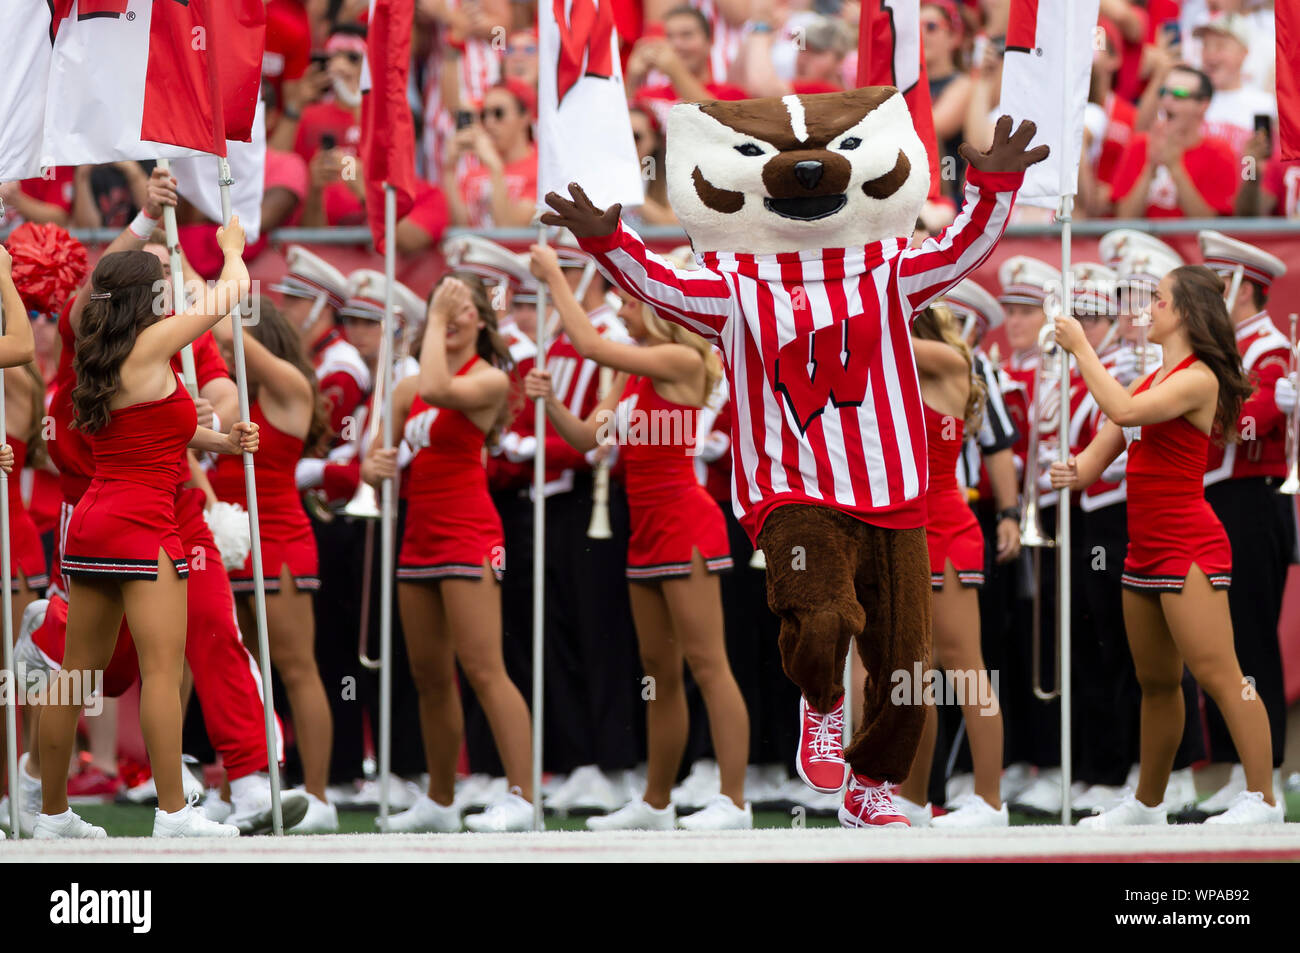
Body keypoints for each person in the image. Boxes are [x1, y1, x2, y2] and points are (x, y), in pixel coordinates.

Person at [36, 218, 261, 839]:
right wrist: (231, 252)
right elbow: (234, 288)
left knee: (74, 674)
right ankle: (173, 814)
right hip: (143, 522)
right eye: (161, 284)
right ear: (147, 299)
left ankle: (48, 815)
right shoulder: (155, 344)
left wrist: (220, 438)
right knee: (163, 673)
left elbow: (156, 429)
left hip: (92, 522)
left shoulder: (97, 348)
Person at [527, 246, 752, 831]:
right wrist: (549, 401)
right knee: (659, 671)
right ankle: (656, 803)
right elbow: (587, 438)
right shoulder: (632, 369)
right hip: (644, 529)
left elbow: (590, 345)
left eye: (627, 299)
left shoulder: (680, 359)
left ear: (655, 307)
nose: (620, 309)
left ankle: (734, 801)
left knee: (709, 665)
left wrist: (555, 277)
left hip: (686, 522)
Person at [1052, 265, 1282, 826]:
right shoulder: (1147, 381)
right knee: (1156, 683)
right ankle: (1148, 804)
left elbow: (1125, 414)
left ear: (1184, 313)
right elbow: (1092, 462)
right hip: (1143, 549)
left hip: (1189, 544)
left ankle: (1262, 799)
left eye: (1157, 300)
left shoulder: (1199, 378)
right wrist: (1066, 469)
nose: (1148, 308)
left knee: (1221, 673)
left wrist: (1082, 348)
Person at [362, 273, 536, 832]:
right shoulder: (405, 389)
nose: (454, 316)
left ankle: (524, 797)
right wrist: (376, 467)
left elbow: (438, 390)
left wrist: (435, 317)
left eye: (464, 310)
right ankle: (440, 801)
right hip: (418, 534)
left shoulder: (488, 379)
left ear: (482, 323)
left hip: (469, 531)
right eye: (445, 307)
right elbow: (369, 459)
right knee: (429, 675)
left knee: (485, 669)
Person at [209, 297, 336, 832]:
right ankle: (244, 784)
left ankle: (318, 797)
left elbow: (232, 341)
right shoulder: (225, 397)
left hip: (278, 540)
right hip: (223, 539)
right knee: (241, 669)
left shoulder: (289, 391)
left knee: (295, 666)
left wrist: (212, 307)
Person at [896, 305, 1007, 828]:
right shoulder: (890, 370)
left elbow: (871, 334)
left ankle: (990, 802)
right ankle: (914, 802)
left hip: (945, 531)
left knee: (966, 669)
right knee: (914, 676)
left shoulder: (946, 360)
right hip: (903, 534)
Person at [1194, 230, 1293, 815]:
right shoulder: (1229, 350)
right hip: (1222, 501)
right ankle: (1237, 768)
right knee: (1224, 643)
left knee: (1253, 639)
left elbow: (1246, 424)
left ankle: (1269, 773)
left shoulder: (1268, 347)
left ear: (1241, 288)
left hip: (1252, 502)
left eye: (1218, 285)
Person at [1111, 64, 1237, 219]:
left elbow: (1209, 225)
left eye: (1179, 94)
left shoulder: (1220, 153)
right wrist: (1150, 167)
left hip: (1191, 243)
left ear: (1203, 106)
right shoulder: (1139, 145)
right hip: (1143, 242)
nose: (1167, 100)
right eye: (1163, 92)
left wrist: (1175, 168)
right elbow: (1124, 221)